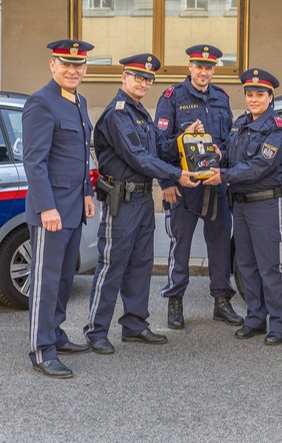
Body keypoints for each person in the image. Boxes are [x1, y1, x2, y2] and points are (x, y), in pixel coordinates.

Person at [83, 54, 200, 355]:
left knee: (140, 264)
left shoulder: (140, 114)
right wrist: (177, 175)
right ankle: (96, 330)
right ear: (123, 77)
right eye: (138, 77)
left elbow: (158, 149)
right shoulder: (118, 114)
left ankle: (134, 324)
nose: (143, 83)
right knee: (112, 265)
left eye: (147, 79)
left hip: (143, 199)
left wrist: (183, 140)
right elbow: (139, 158)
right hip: (121, 201)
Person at [202, 68, 282, 345]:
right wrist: (215, 154)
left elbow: (260, 166)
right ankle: (256, 318)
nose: (253, 99)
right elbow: (230, 156)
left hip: (267, 202)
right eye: (249, 94)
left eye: (259, 95)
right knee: (245, 265)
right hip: (241, 205)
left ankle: (280, 322)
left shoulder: (278, 128)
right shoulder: (240, 123)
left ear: (270, 97)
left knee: (272, 265)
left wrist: (225, 176)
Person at [22, 39, 96, 379]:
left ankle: (56, 333)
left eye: (78, 65)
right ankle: (41, 348)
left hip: (73, 207)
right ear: (53, 65)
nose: (73, 70)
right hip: (51, 212)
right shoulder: (42, 102)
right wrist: (46, 209)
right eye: (65, 64)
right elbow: (34, 162)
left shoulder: (78, 102)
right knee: (46, 280)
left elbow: (80, 155)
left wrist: (86, 193)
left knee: (65, 279)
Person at [154, 44, 243, 330]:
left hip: (215, 184)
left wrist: (221, 154)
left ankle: (221, 301)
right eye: (199, 66)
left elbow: (230, 140)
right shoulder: (172, 97)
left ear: (214, 70)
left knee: (219, 246)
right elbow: (159, 145)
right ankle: (175, 301)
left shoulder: (220, 97)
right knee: (180, 245)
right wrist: (166, 182)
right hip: (183, 185)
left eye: (209, 68)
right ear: (190, 67)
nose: (204, 72)